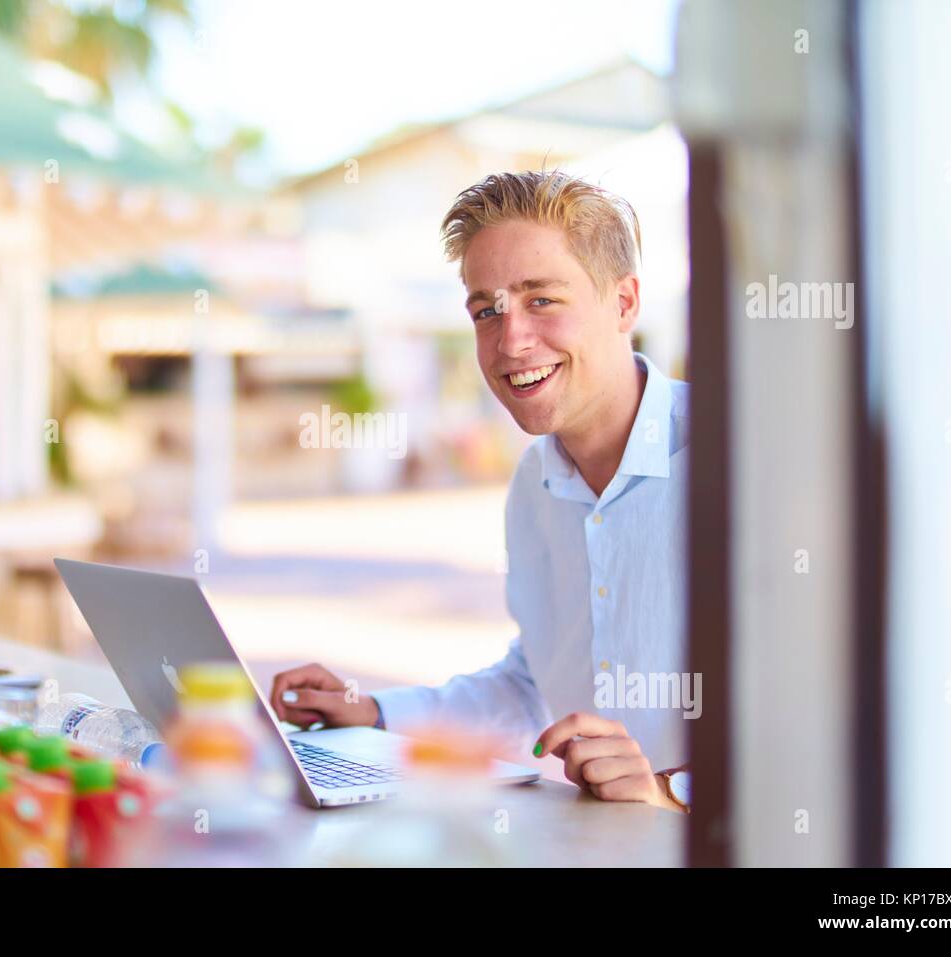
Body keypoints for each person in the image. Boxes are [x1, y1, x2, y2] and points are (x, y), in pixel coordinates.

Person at [270, 171, 691, 812]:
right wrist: (372, 711)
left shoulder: (741, 462)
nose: (510, 340)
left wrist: (672, 790)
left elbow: (845, 695)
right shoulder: (535, 483)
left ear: (624, 303)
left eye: (541, 299)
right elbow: (533, 685)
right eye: (486, 310)